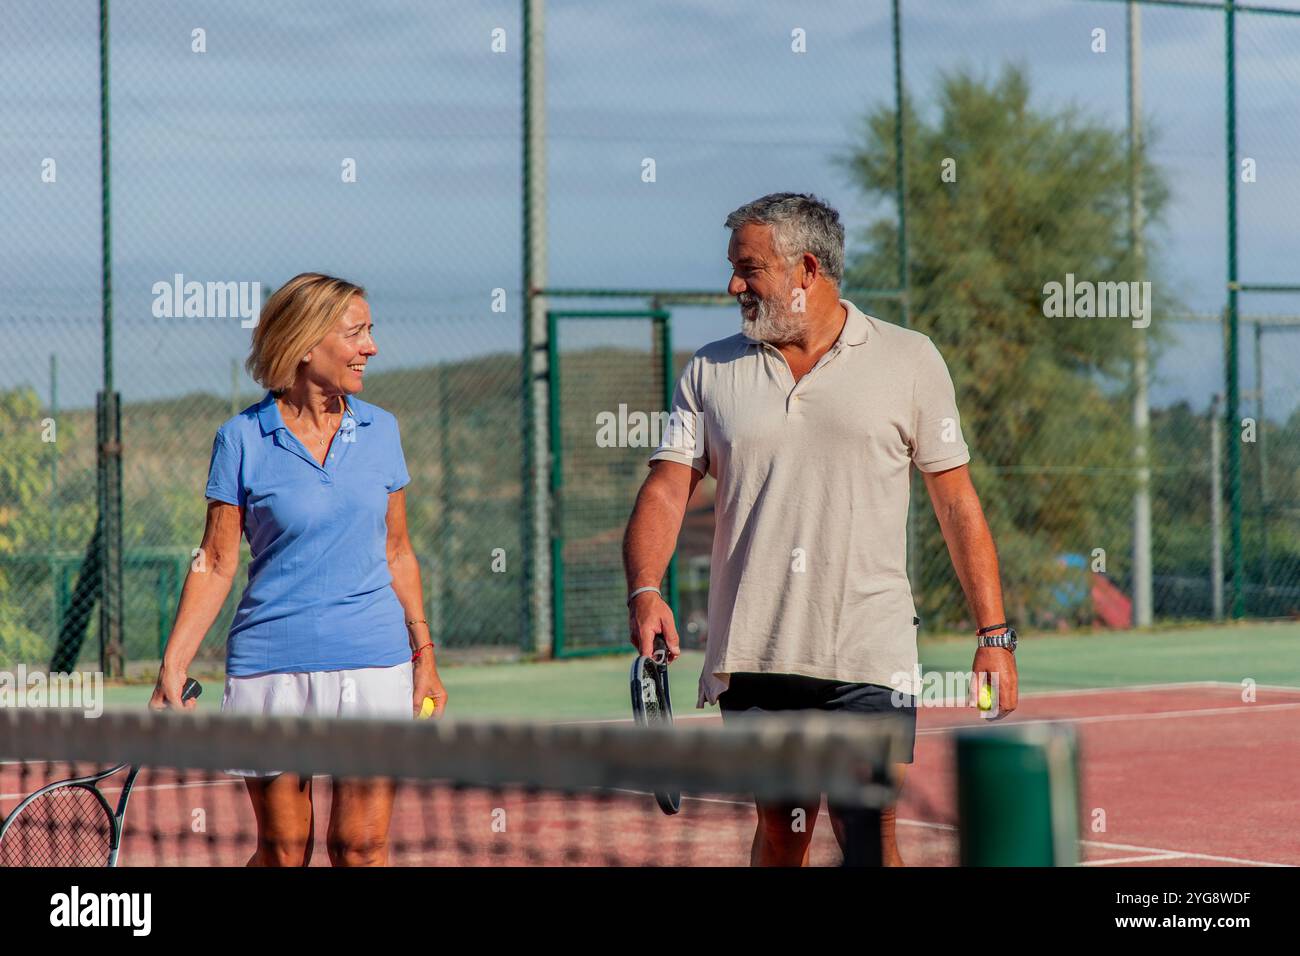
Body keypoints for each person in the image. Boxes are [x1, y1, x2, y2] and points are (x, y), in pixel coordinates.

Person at [623, 193, 1019, 866]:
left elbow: (957, 503)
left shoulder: (909, 360)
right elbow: (666, 487)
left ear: (806, 269)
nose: (733, 285)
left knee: (869, 836)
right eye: (733, 268)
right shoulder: (710, 370)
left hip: (871, 648)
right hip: (755, 649)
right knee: (784, 834)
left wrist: (995, 636)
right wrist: (645, 589)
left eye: (749, 269)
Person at [150, 272, 448, 867]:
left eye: (371, 332)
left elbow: (398, 552)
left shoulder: (383, 431)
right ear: (307, 343)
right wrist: (173, 663)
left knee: (359, 849)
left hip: (372, 657)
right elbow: (215, 559)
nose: (372, 346)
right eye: (357, 332)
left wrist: (425, 656)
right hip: (270, 665)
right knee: (285, 853)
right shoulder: (240, 439)